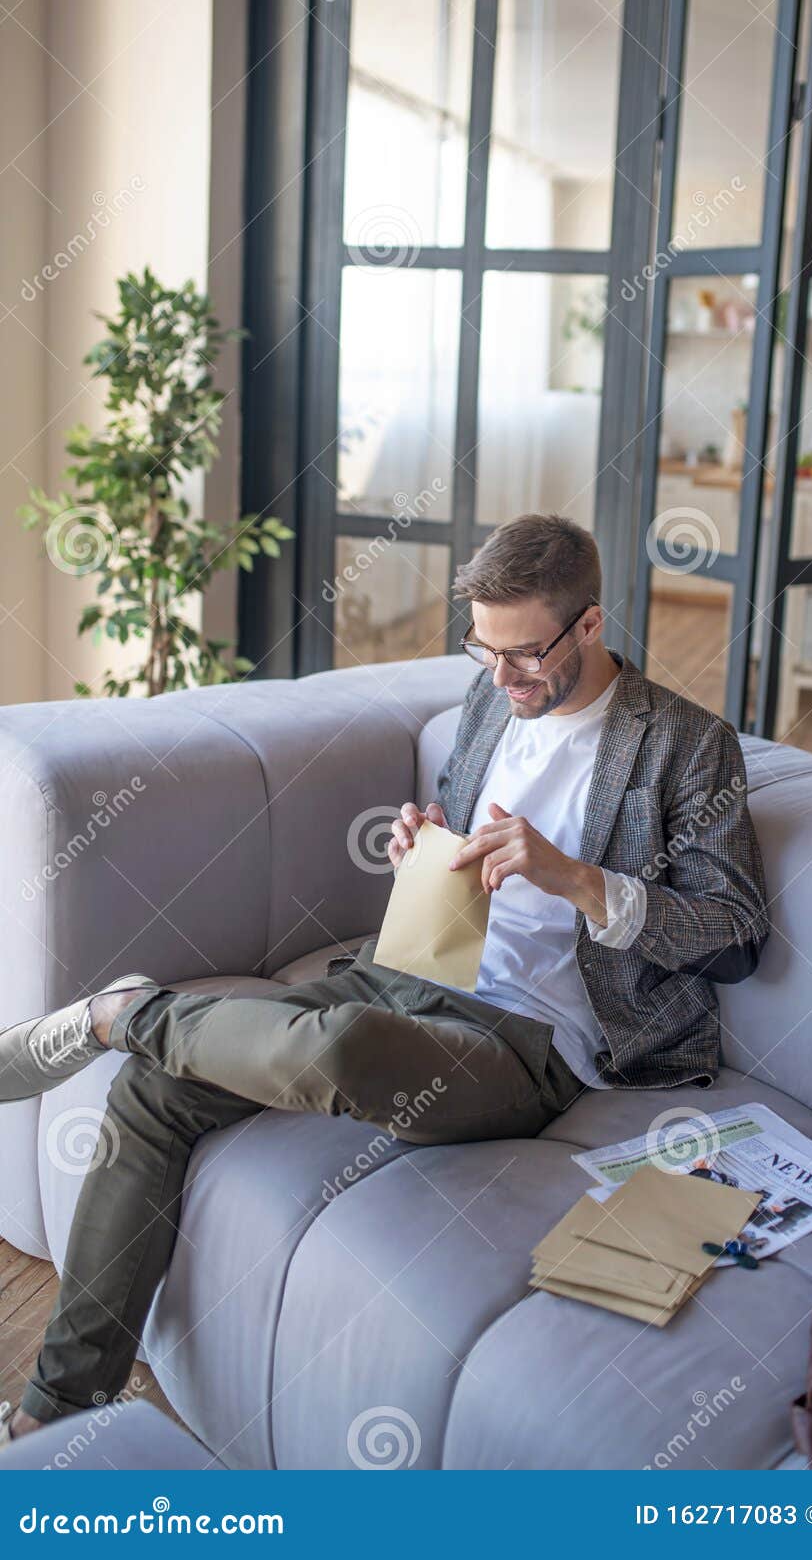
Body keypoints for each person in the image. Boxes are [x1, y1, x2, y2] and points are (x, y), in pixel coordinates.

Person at [0, 513, 768, 1443]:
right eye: (482, 651)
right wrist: (424, 847)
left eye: (523, 655)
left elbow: (734, 934)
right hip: (412, 968)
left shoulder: (686, 744)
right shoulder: (492, 701)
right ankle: (55, 1410)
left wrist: (572, 876)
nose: (501, 678)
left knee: (343, 1049)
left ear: (591, 624)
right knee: (155, 1091)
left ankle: (122, 1011)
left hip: (535, 1046)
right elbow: (464, 852)